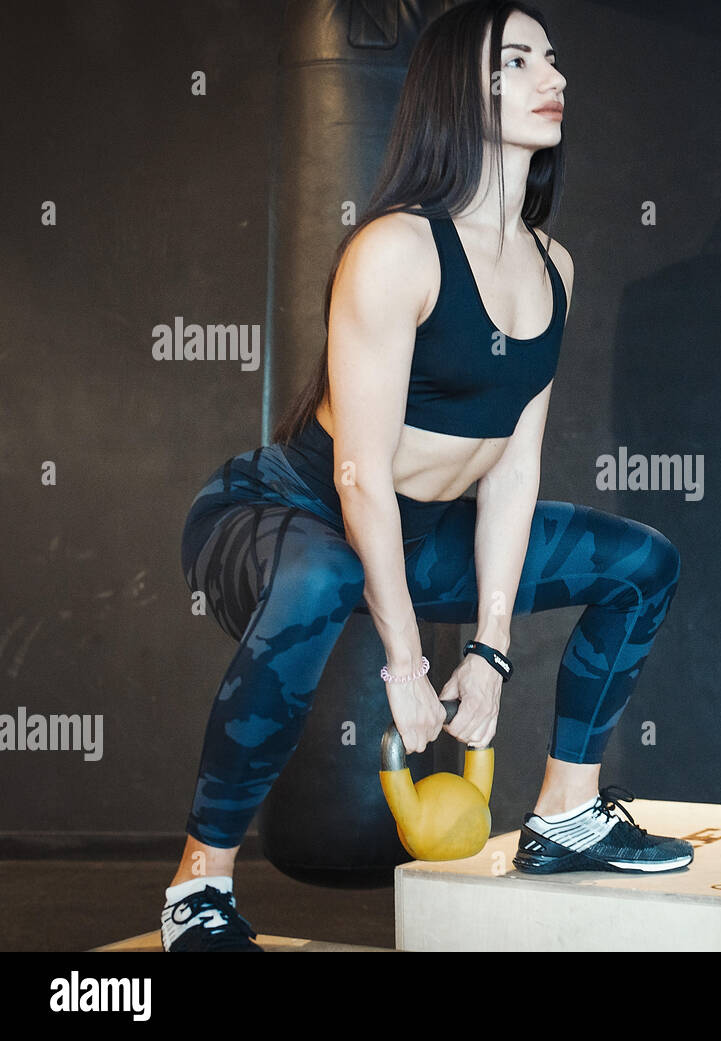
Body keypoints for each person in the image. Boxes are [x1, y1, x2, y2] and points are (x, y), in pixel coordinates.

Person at [162, 0, 691, 953]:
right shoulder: (396, 248)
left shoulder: (553, 266)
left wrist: (489, 649)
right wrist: (407, 664)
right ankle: (199, 884)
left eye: (553, 58)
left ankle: (567, 809)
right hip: (290, 508)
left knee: (641, 563)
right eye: (519, 60)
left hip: (425, 530)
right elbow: (359, 477)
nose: (552, 77)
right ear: (460, 85)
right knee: (324, 574)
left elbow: (515, 464)